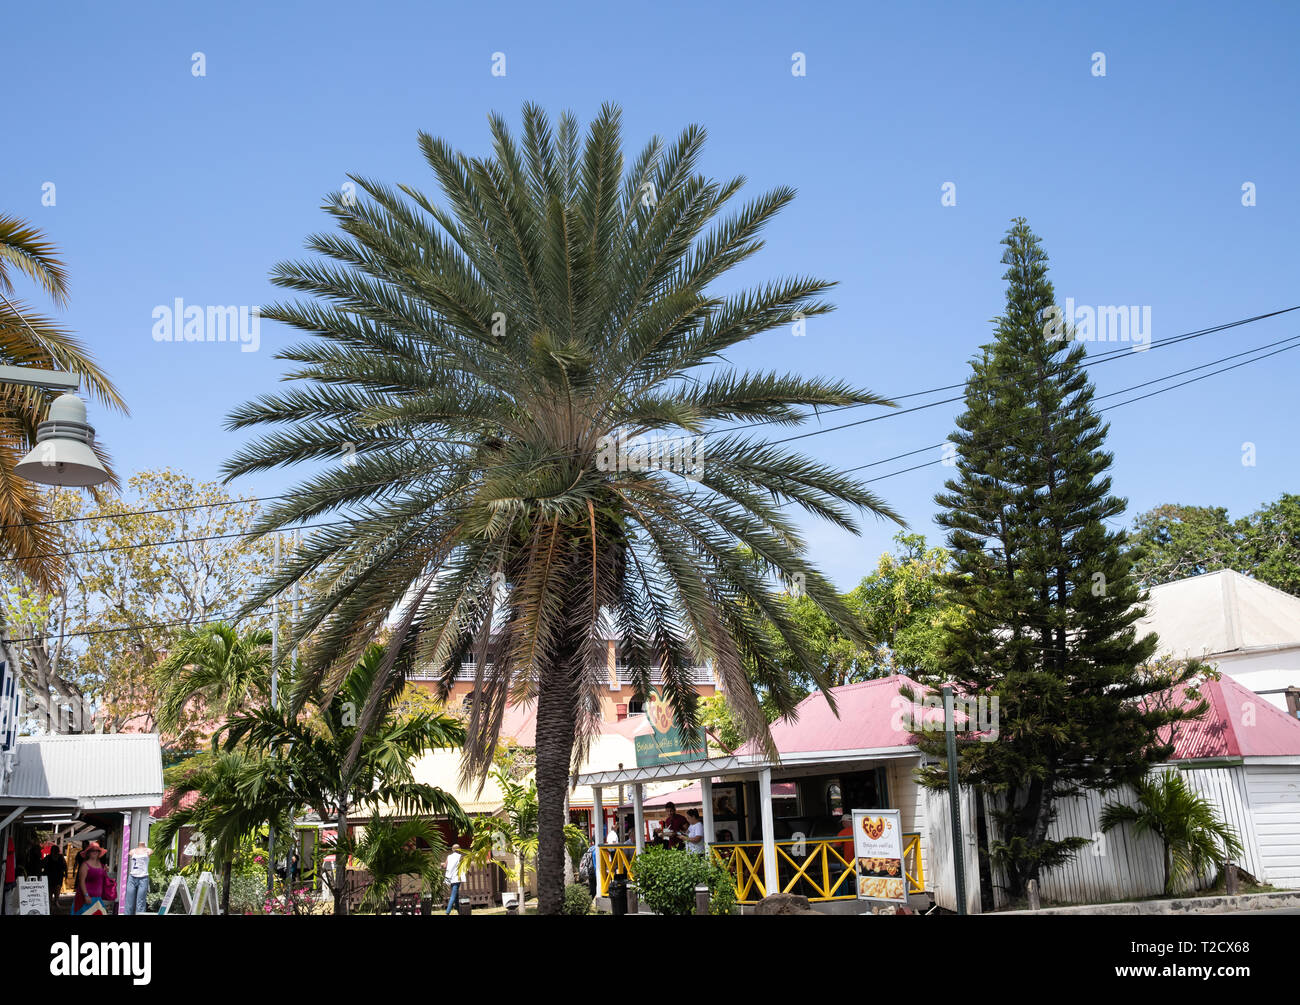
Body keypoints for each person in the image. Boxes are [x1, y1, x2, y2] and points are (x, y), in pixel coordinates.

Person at [75, 842, 108, 914]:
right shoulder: (85, 865)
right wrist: (86, 895)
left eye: (97, 850)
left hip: (98, 899)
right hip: (86, 899)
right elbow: (81, 881)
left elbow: (102, 880)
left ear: (99, 852)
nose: (95, 852)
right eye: (92, 850)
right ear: (88, 852)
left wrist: (105, 871)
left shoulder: (101, 865)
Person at [124, 840, 151, 915]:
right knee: (129, 901)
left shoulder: (148, 850)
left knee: (141, 902)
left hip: (143, 877)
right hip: (132, 877)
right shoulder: (132, 851)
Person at [42, 845, 66, 913]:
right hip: (51, 876)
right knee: (51, 890)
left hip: (57, 876)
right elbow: (43, 864)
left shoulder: (60, 857)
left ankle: (55, 901)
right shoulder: (48, 857)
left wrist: (65, 872)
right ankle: (51, 904)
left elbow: (65, 865)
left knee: (57, 889)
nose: (54, 851)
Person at [444, 844, 463, 915]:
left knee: (456, 896)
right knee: (453, 896)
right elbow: (463, 866)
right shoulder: (460, 856)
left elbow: (445, 866)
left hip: (450, 878)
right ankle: (447, 912)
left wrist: (441, 866)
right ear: (459, 850)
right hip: (457, 878)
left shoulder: (449, 856)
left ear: (452, 850)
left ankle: (459, 912)